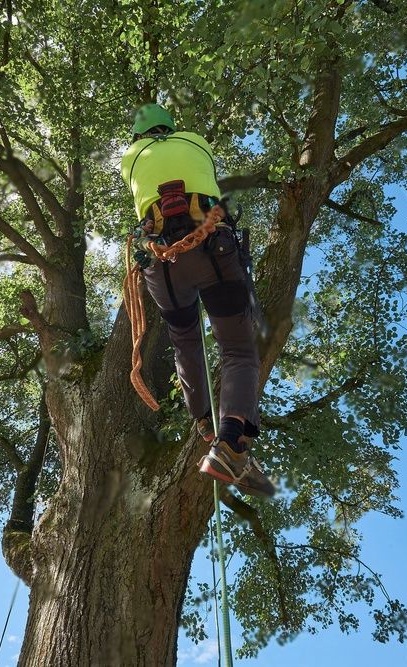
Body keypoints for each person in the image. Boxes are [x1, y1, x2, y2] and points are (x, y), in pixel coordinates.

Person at [120, 103, 275, 498]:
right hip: (212, 248)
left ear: (139, 134)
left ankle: (205, 423)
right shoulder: (196, 141)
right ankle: (230, 440)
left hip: (161, 262)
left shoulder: (130, 159)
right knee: (238, 350)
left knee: (184, 338)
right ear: (170, 126)